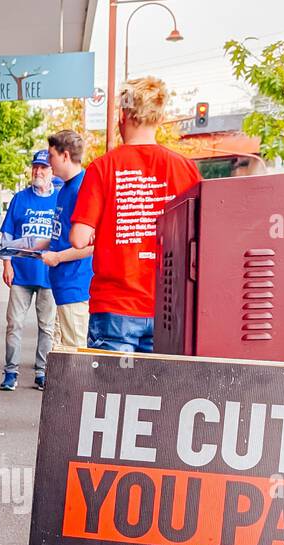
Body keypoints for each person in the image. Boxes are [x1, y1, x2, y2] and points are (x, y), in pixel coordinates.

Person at [70, 76, 203, 353]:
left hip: (115, 305)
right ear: (159, 116)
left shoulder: (102, 168)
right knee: (160, 394)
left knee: (113, 393)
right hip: (171, 306)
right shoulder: (185, 168)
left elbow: (79, 238)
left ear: (122, 115)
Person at [0, 150, 59, 391]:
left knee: (47, 326)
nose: (38, 171)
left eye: (43, 167)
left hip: (48, 274)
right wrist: (6, 263)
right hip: (21, 273)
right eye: (35, 167)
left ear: (51, 171)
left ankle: (42, 372)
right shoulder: (19, 199)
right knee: (14, 324)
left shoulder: (59, 199)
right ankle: (10, 372)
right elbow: (7, 235)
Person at [40, 131, 94, 352]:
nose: (48, 162)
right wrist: (41, 244)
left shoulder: (83, 188)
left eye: (51, 156)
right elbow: (63, 232)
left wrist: (58, 257)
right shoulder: (65, 189)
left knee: (75, 351)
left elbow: (92, 244)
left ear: (65, 155)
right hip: (62, 283)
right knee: (62, 349)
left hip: (75, 283)